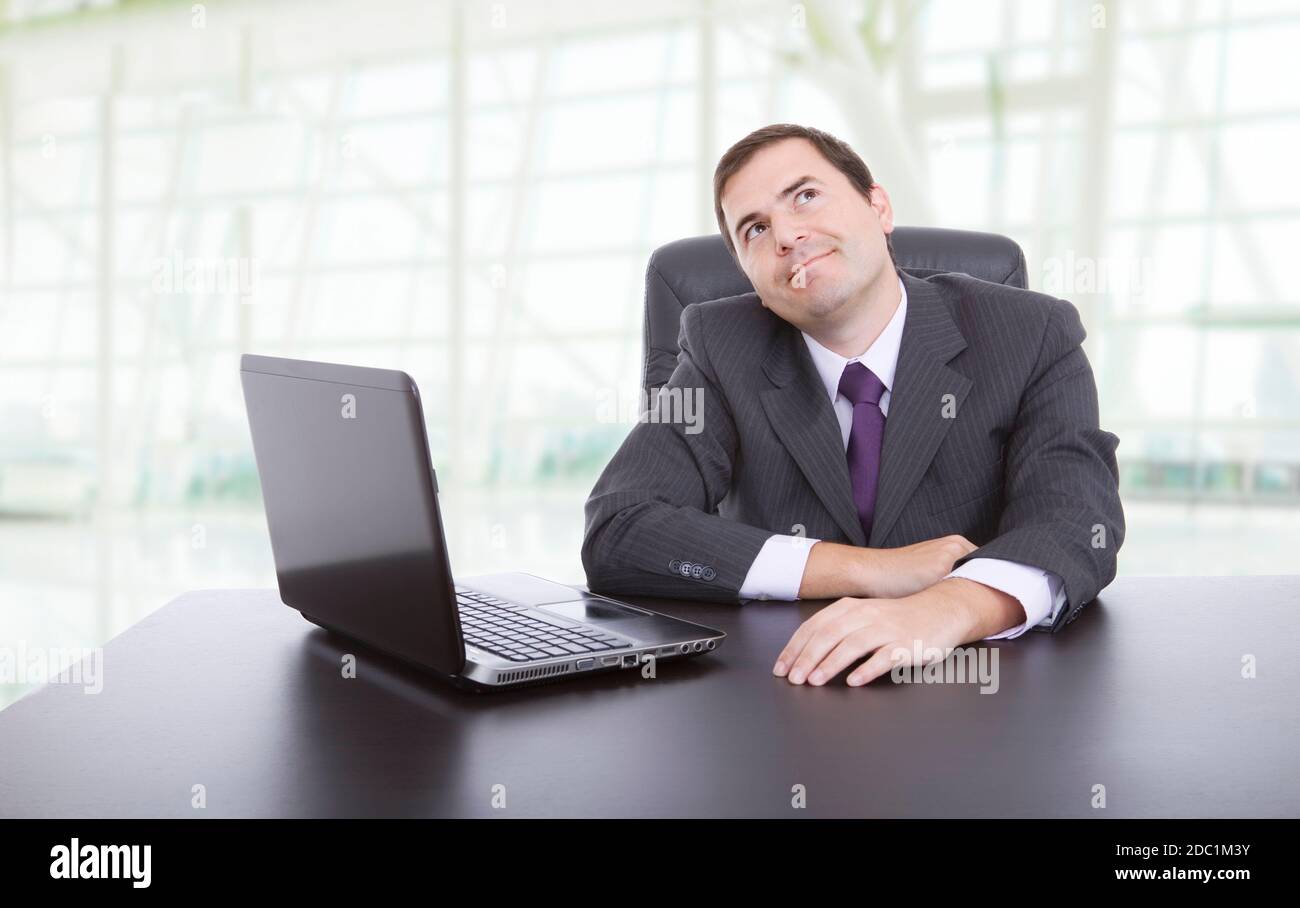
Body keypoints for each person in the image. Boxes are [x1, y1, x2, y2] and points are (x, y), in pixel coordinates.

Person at [582, 124, 1124, 687]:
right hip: (779, 687)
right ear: (748, 273)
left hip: (978, 686)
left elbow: (1077, 521)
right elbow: (620, 530)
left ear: (878, 206)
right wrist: (873, 571)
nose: (786, 235)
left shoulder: (1031, 332)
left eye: (805, 195)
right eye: (755, 229)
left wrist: (947, 607)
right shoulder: (720, 345)